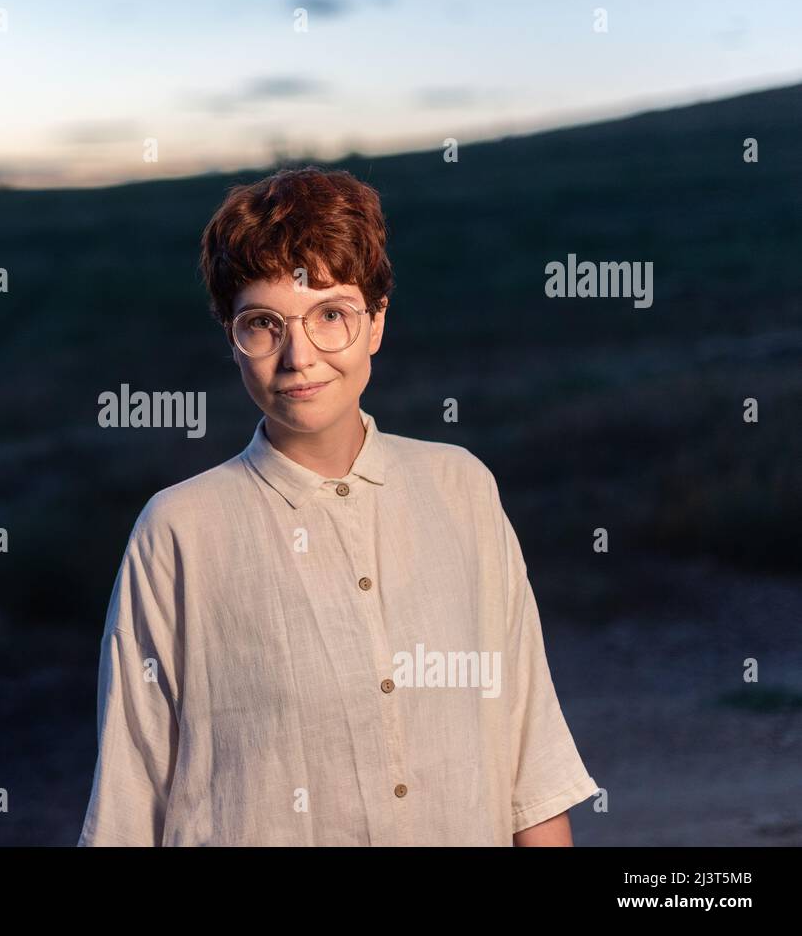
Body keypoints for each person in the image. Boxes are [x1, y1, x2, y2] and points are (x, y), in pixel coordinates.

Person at [77, 165, 598, 846]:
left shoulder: (462, 488)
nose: (299, 355)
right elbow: (128, 802)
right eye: (263, 323)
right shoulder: (178, 531)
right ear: (231, 338)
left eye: (331, 314)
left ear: (377, 322)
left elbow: (531, 769)